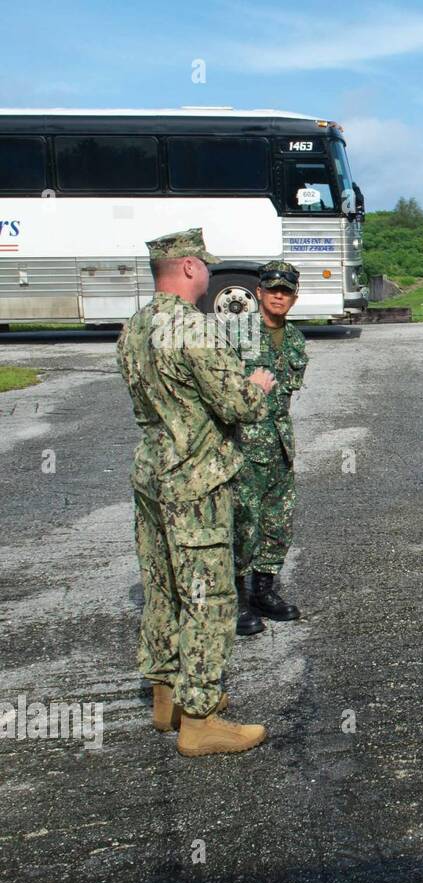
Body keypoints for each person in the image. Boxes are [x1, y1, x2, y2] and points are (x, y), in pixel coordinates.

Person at [116, 228, 274, 757]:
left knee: (161, 586)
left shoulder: (135, 326)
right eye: (204, 265)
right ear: (187, 268)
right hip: (196, 479)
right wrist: (258, 386)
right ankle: (200, 717)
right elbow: (239, 406)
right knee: (209, 596)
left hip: (151, 472)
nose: (209, 274)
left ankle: (167, 695)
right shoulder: (195, 329)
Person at [234, 260, 308, 636]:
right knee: (241, 523)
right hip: (242, 446)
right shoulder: (235, 332)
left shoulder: (295, 339)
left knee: (277, 522)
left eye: (286, 291)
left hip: (279, 444)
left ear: (294, 297)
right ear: (259, 292)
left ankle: (264, 591)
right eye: (273, 289)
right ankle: (237, 600)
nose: (279, 296)